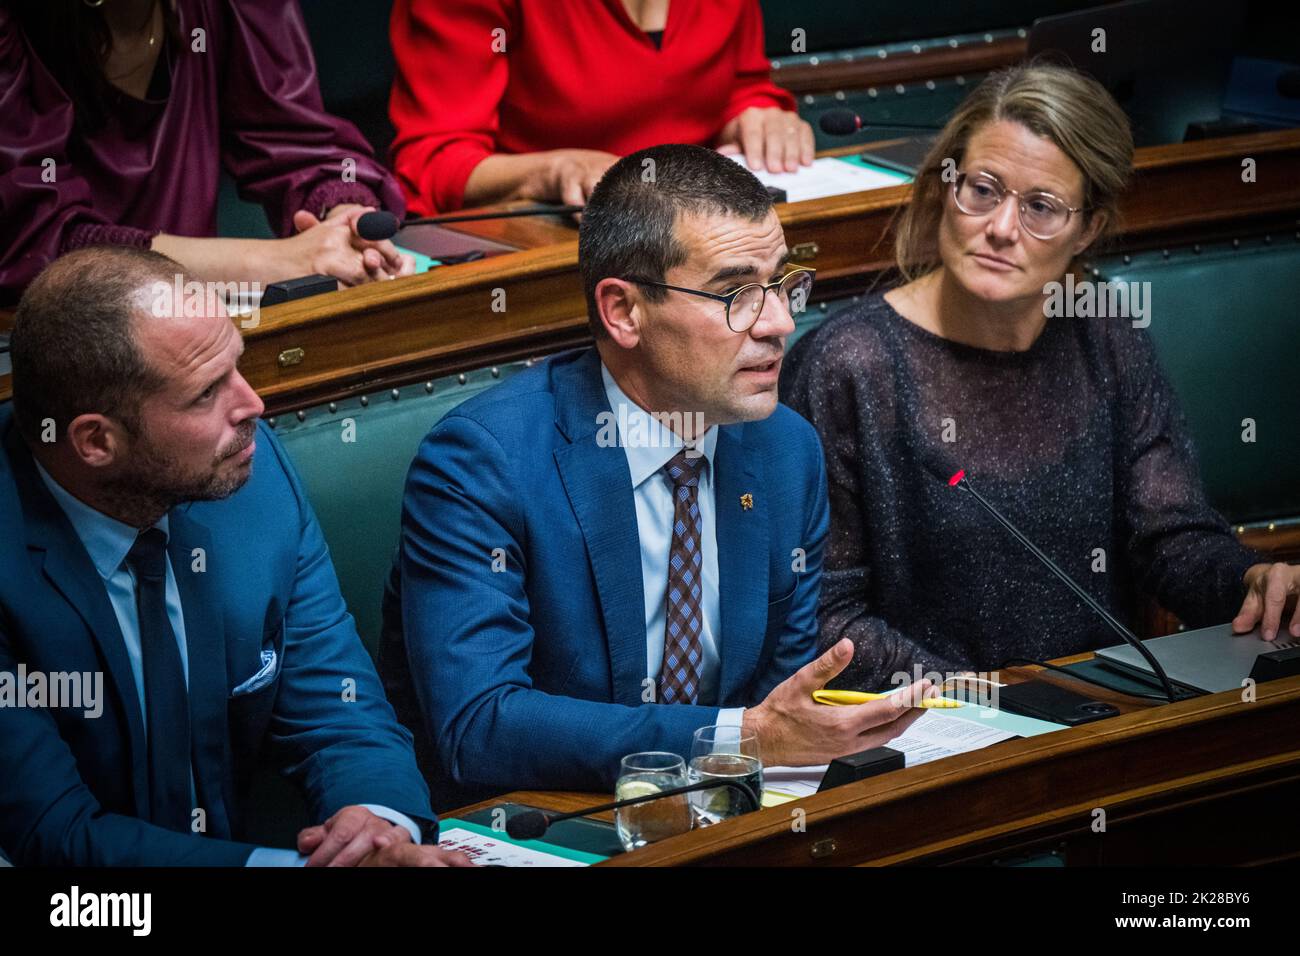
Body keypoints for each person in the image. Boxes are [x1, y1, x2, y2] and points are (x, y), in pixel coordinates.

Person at [379, 144, 930, 808]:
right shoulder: (484, 463)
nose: (781, 322)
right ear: (624, 311)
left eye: (784, 284)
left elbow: (779, 702)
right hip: (542, 829)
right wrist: (741, 738)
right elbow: (480, 726)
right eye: (735, 293)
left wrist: (764, 740)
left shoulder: (787, 451)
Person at [780, 63, 1299, 693]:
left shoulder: (1105, 335)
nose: (1001, 228)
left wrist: (1251, 580)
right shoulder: (847, 366)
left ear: (1089, 229)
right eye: (983, 190)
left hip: (1100, 713)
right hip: (928, 733)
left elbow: (1171, 539)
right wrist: (988, 702)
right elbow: (828, 617)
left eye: (1042, 207)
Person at [0, 246, 470, 866]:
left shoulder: (251, 479)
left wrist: (374, 827)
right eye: (205, 394)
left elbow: (339, 709)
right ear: (95, 441)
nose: (253, 406)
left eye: (238, 367)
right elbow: (53, 835)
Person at [0, 0, 415, 304]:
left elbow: (296, 141)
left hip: (197, 340)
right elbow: (33, 244)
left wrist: (341, 219)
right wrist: (278, 261)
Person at [388, 0, 814, 214]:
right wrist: (554, 173)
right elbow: (433, 162)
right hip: (551, 255)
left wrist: (757, 114)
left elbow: (742, 84)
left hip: (708, 234)